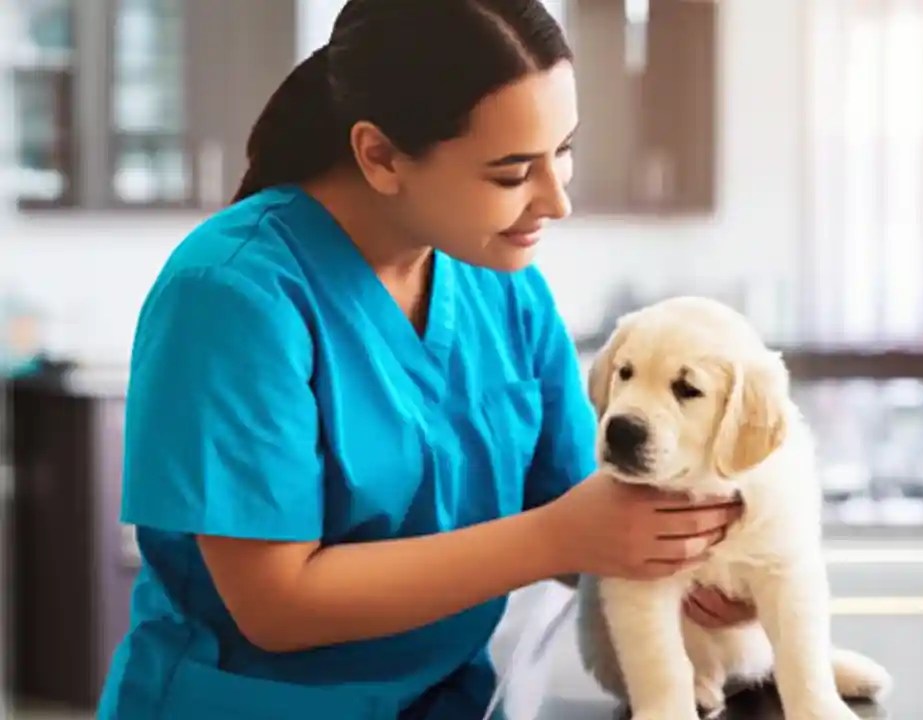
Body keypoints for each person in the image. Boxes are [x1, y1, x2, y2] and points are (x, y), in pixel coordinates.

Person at [95, 1, 757, 718]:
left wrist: (696, 560)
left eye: (563, 150)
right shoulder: (231, 296)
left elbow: (580, 511)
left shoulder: (503, 286)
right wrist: (561, 536)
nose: (557, 201)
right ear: (380, 155)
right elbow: (275, 605)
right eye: (512, 173)